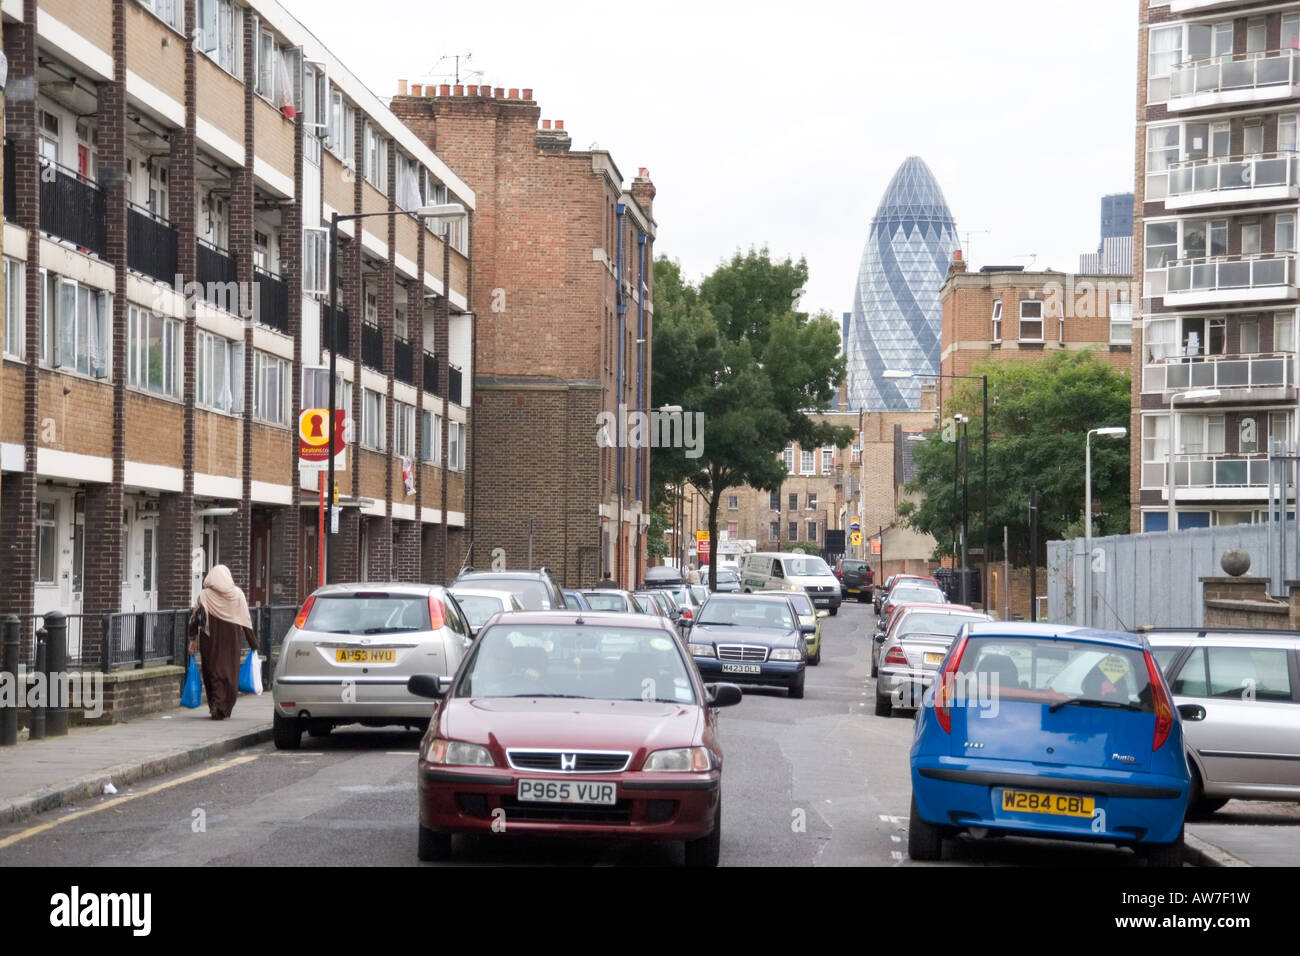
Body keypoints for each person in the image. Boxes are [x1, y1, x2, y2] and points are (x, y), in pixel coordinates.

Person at [187, 565, 258, 720]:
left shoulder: (205, 595)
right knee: (230, 673)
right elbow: (246, 621)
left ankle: (215, 704)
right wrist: (254, 644)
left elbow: (195, 620)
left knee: (212, 672)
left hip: (210, 642)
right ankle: (224, 706)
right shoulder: (238, 595)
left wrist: (192, 638)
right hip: (232, 643)